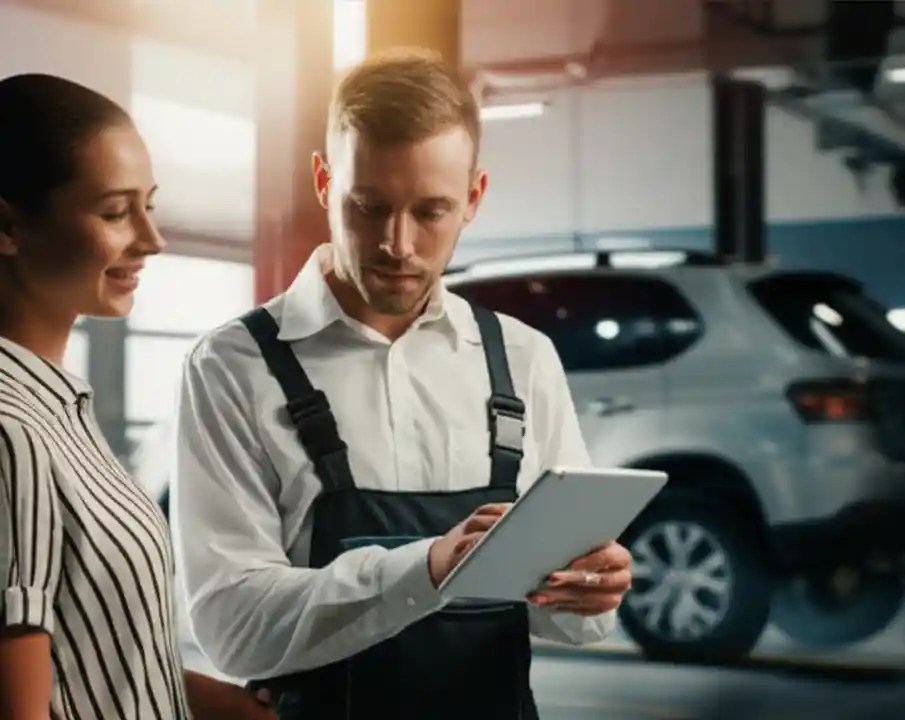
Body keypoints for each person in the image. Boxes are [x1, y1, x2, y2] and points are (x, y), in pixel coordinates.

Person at [171, 48, 632, 719]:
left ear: (473, 199)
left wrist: (593, 590)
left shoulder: (523, 358)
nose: (398, 244)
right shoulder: (231, 367)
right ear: (326, 184)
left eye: (431, 211)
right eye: (369, 206)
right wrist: (427, 568)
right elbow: (233, 630)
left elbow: (569, 624)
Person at [0, 74, 275, 720]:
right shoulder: (13, 432)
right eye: (116, 212)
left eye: (149, 205)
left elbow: (107, 670)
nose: (152, 240)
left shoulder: (59, 408)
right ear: (7, 227)